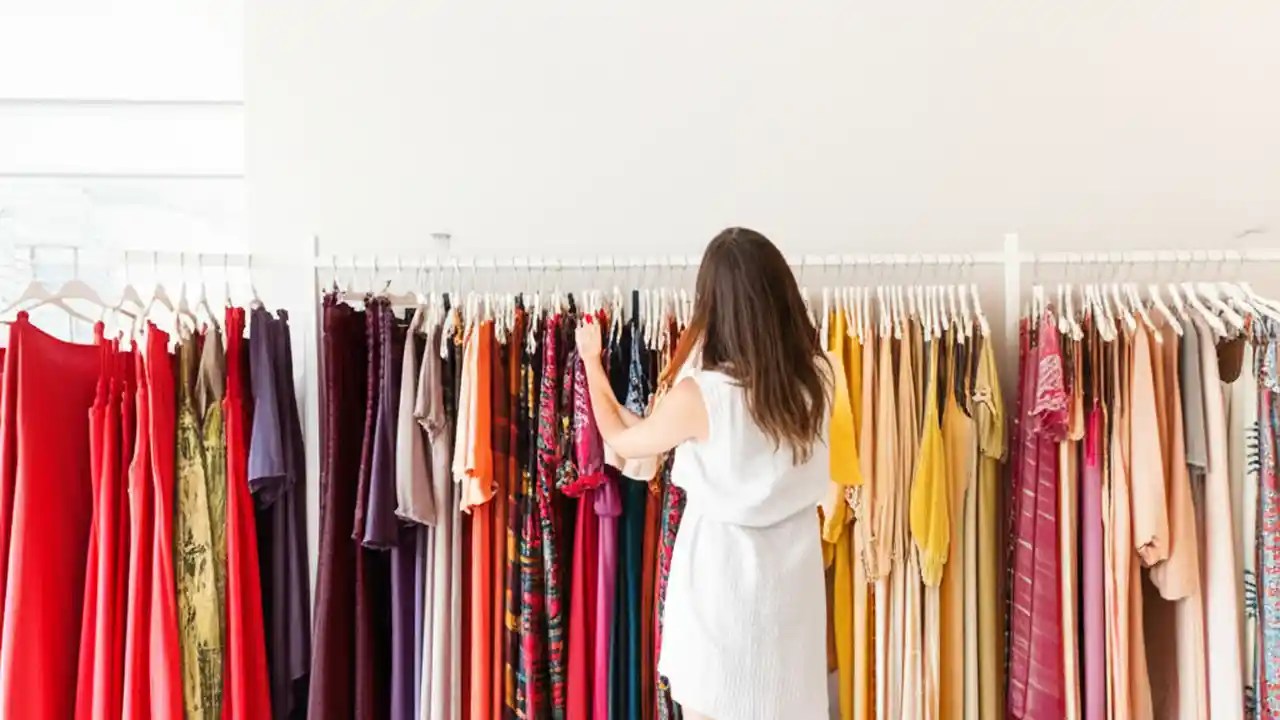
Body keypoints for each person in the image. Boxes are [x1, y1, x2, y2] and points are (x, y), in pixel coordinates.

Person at [575, 227, 838, 719]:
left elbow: (620, 438)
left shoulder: (702, 396)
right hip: (791, 597)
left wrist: (592, 360)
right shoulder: (819, 379)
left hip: (724, 595)